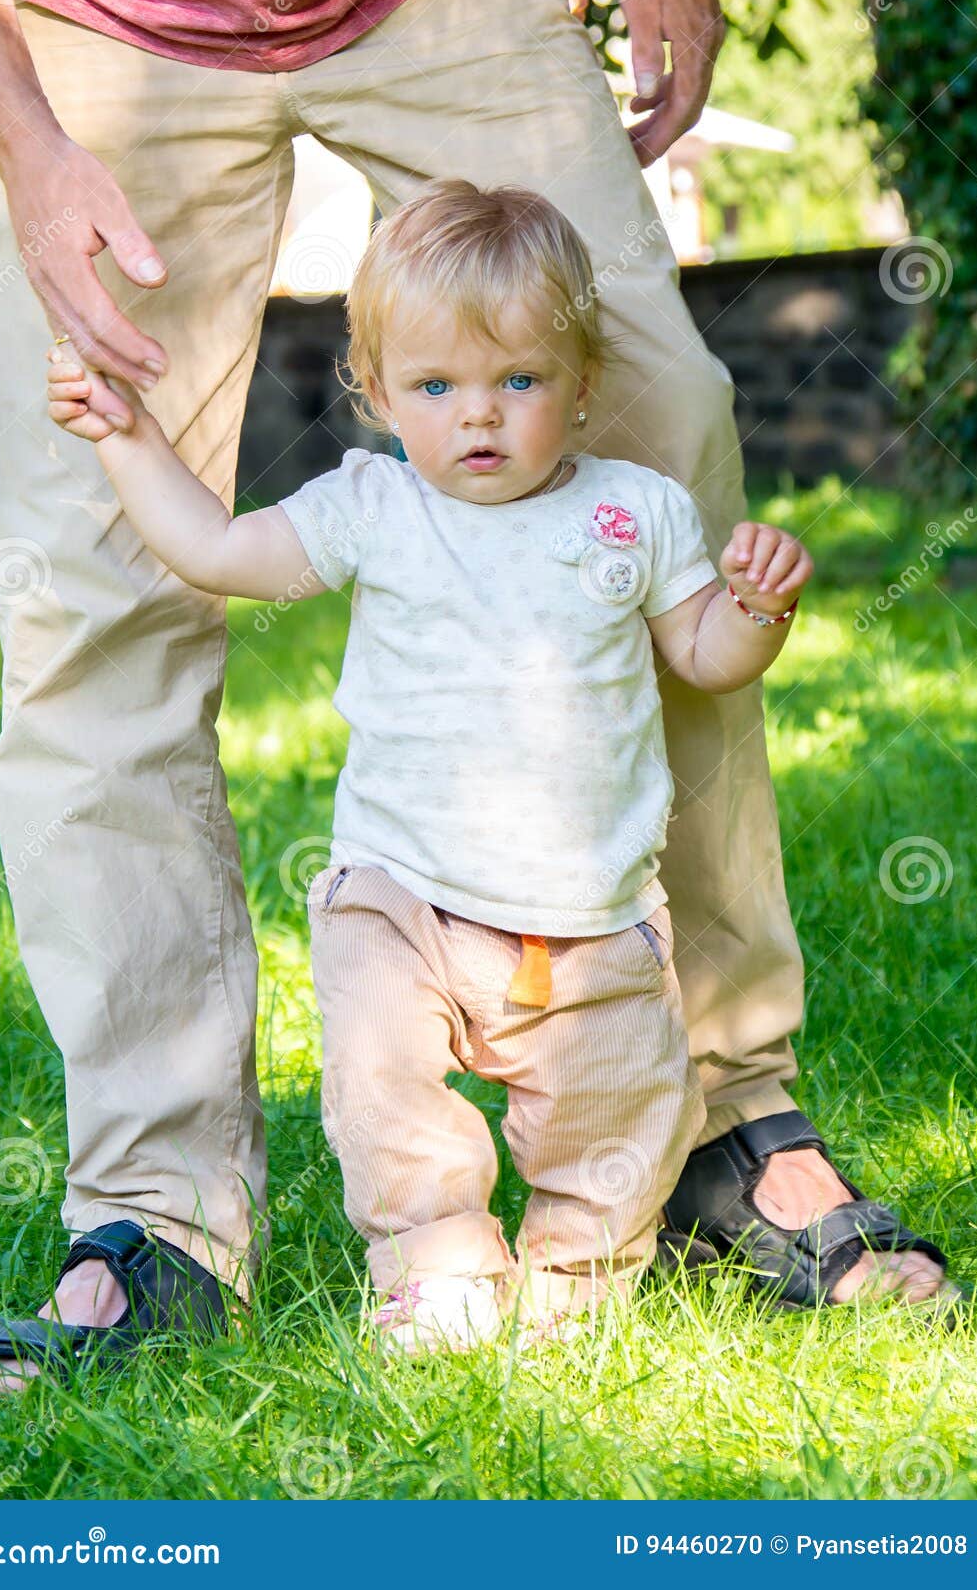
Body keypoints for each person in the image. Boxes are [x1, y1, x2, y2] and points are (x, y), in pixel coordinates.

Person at [0, 0, 952, 1390]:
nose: (474, 417)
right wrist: (22, 136)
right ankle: (160, 1211)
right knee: (90, 587)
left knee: (664, 423)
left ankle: (724, 1116)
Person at [44, 179, 818, 1351]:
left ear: (584, 383)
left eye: (521, 381)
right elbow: (216, 548)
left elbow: (707, 658)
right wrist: (129, 438)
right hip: (400, 893)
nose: (479, 416)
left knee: (615, 1117)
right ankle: (437, 1263)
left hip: (590, 910)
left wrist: (757, 609)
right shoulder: (375, 506)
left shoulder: (636, 511)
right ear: (376, 389)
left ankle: (577, 1277)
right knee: (384, 1093)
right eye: (437, 387)